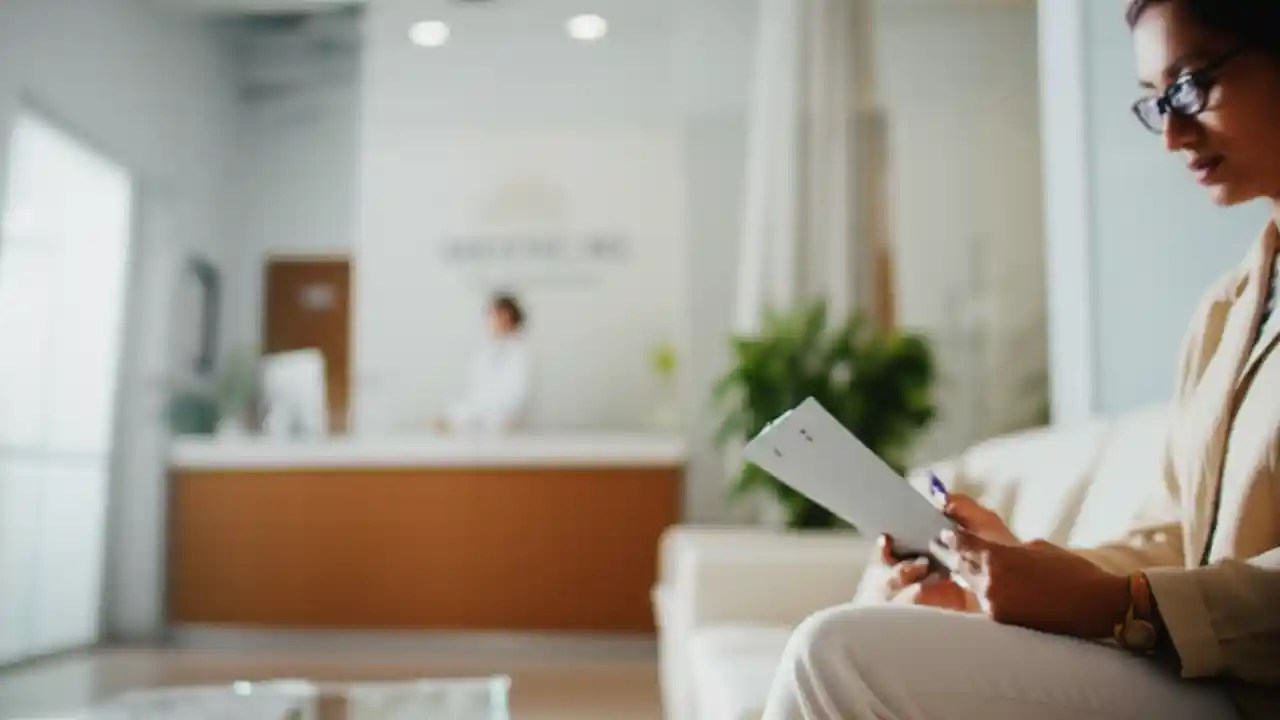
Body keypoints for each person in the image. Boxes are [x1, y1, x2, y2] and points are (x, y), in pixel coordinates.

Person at [763, 0, 1280, 718]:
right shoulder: (1229, 309)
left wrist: (1111, 602)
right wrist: (1018, 571)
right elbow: (1178, 538)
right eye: (1154, 101)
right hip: (1202, 671)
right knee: (860, 637)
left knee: (835, 652)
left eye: (1189, 84)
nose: (1170, 133)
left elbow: (1159, 589)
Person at [441, 293, 533, 435]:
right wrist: (456, 416)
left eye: (501, 316)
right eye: (493, 315)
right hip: (479, 423)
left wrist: (476, 416)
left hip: (504, 424)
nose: (495, 320)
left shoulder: (521, 352)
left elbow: (515, 396)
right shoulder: (485, 350)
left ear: (512, 318)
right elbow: (475, 393)